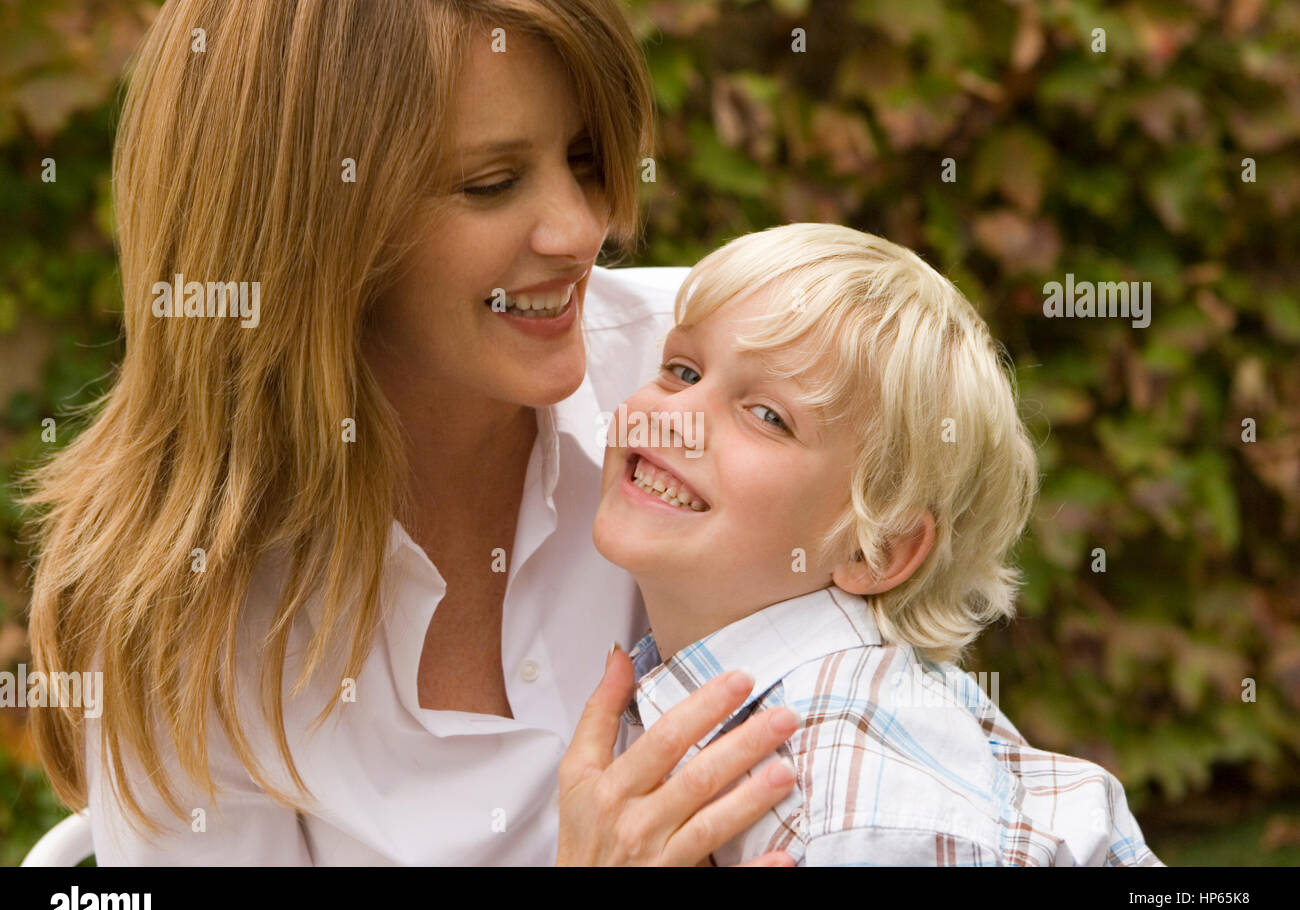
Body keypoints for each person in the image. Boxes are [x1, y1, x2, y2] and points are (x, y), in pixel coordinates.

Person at [18, 0, 799, 865]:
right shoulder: (177, 607)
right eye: (491, 184)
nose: (582, 231)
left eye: (584, 160)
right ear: (305, 223)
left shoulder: (729, 384)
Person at [593, 223, 1163, 865]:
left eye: (768, 417)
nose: (672, 416)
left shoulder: (845, 807)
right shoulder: (760, 704)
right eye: (681, 370)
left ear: (876, 550)